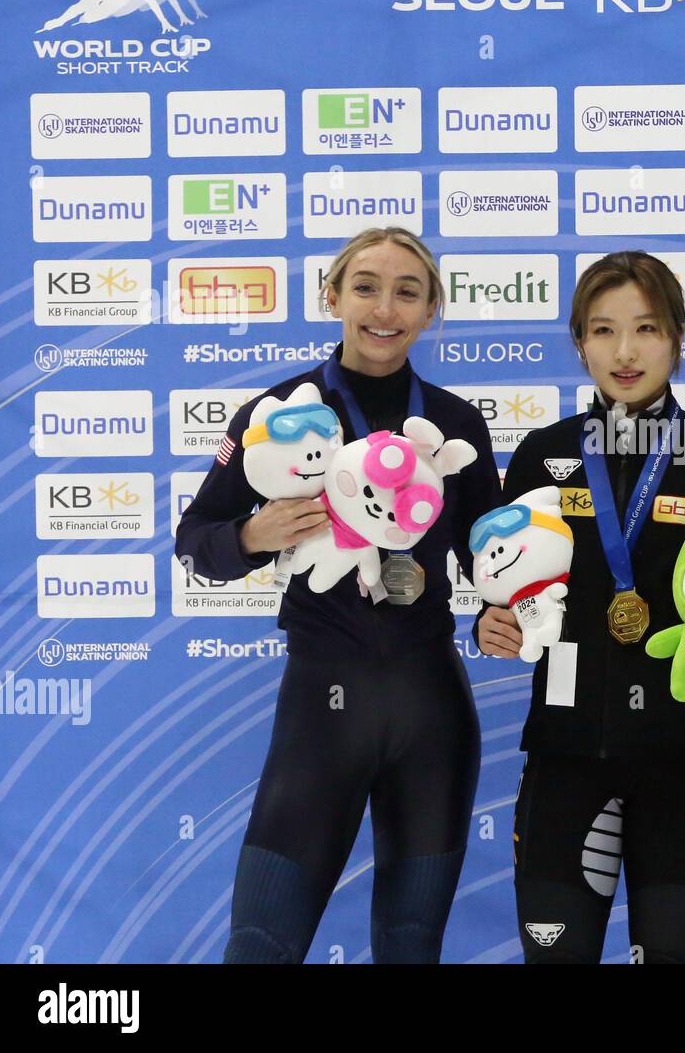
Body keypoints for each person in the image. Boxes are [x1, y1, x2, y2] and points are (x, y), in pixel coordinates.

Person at [176, 227, 500, 963]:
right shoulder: (278, 412)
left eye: (407, 291)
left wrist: (501, 610)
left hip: (431, 713)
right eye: (365, 286)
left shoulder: (455, 423)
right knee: (259, 947)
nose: (384, 308)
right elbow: (195, 539)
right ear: (332, 296)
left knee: (411, 948)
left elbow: (491, 561)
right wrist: (253, 535)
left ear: (430, 311)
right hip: (322, 708)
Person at [476, 251, 685, 964]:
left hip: (683, 765)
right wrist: (488, 620)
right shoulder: (540, 456)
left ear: (677, 338)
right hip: (562, 760)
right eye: (603, 329)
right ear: (579, 339)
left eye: (646, 328)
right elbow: (505, 580)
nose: (624, 351)